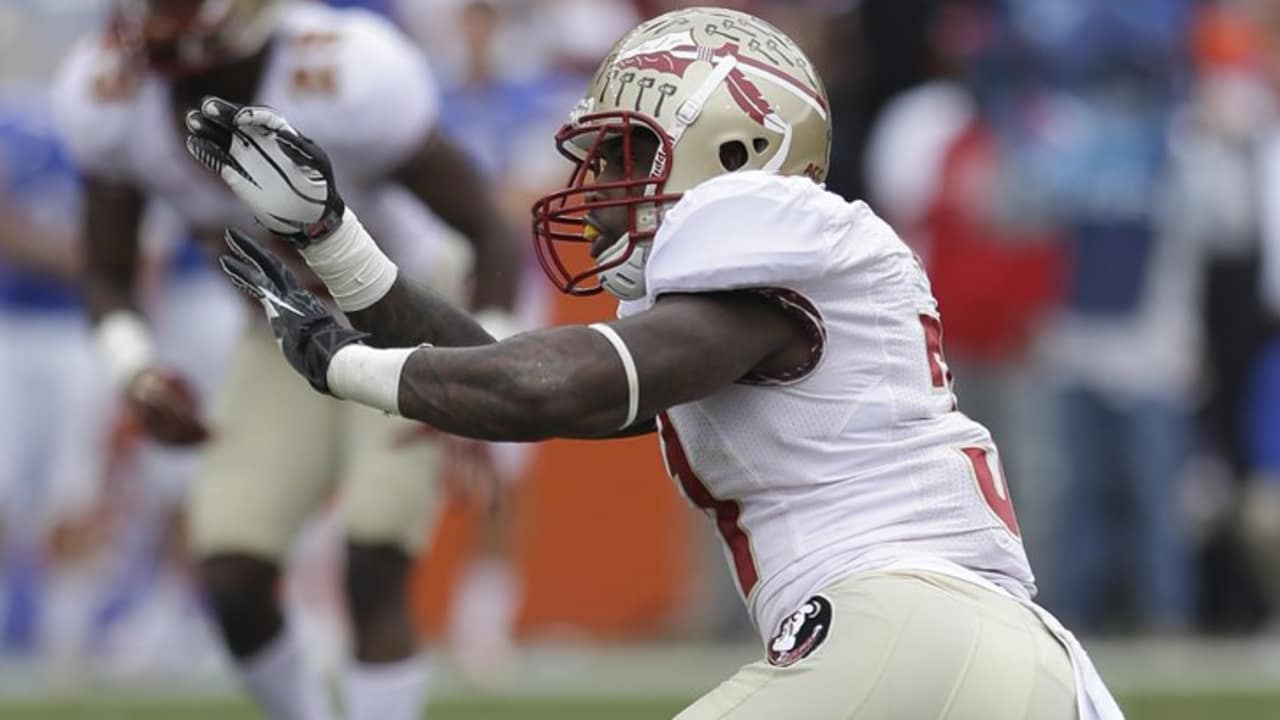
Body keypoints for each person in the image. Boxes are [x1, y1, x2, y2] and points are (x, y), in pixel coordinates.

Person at [188, 6, 1122, 719]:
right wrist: (336, 243)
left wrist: (343, 367)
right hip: (983, 661)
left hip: (912, 630)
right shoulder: (737, 309)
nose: (597, 185)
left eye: (626, 151)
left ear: (740, 150)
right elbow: (509, 373)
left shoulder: (763, 236)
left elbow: (564, 385)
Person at [52, 1, 521, 718]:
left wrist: (481, 371)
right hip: (281, 330)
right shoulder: (111, 95)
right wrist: (135, 370)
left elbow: (490, 230)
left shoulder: (344, 72)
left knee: (373, 554)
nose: (154, 20)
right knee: (231, 570)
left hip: (409, 319)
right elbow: (108, 271)